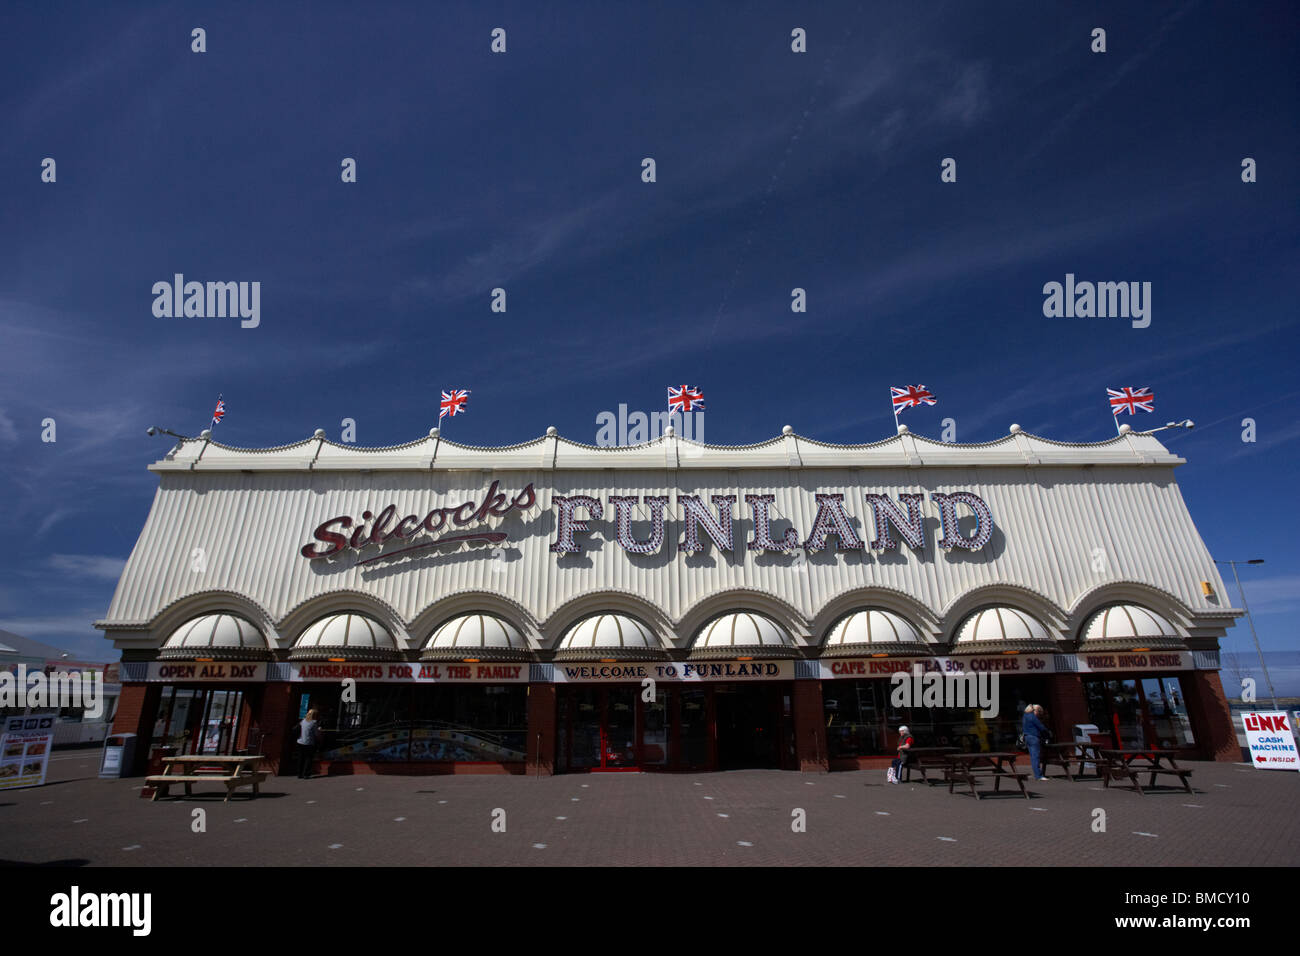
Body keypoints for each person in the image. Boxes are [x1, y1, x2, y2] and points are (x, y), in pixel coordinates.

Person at [1023, 705, 1050, 781]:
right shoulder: (1032, 717)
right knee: (1036, 757)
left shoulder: (1025, 716)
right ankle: (1039, 776)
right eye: (1039, 713)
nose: (1039, 715)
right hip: (1034, 737)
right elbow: (1041, 727)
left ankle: (1037, 773)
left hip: (1027, 737)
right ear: (1036, 711)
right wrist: (1048, 734)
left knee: (1033, 757)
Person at [295, 708, 321, 779]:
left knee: (301, 758)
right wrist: (319, 730)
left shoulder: (303, 721)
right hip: (309, 743)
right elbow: (316, 734)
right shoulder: (314, 723)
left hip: (300, 742)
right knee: (308, 759)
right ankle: (306, 774)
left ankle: (299, 774)